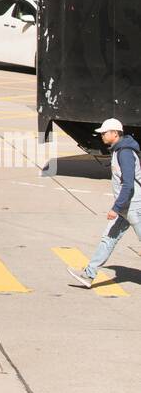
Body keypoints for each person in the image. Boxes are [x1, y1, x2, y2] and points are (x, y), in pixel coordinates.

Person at [67, 119, 141, 288]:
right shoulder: (118, 150)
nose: (102, 135)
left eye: (105, 133)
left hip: (135, 207)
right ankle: (88, 274)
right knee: (108, 239)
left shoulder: (125, 153)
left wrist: (116, 208)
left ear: (115, 133)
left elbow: (128, 184)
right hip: (125, 208)